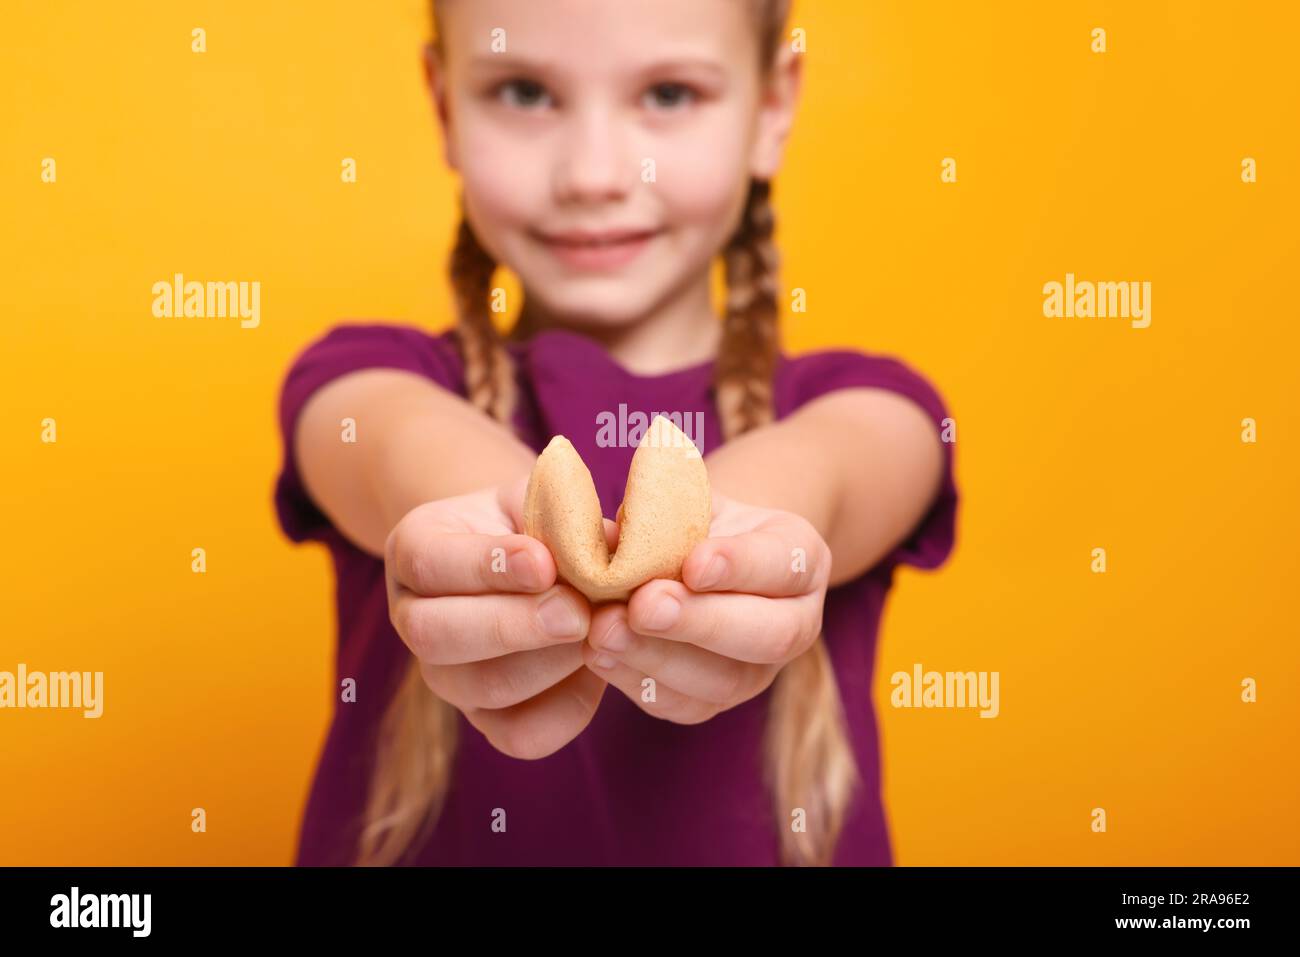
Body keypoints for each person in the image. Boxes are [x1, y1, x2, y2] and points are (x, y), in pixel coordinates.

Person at [274, 0, 959, 866]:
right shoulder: (369, 381)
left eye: (669, 94)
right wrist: (512, 538)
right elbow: (389, 446)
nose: (594, 173)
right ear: (445, 105)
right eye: (525, 91)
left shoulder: (867, 407)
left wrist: (724, 551)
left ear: (773, 108)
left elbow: (834, 472)